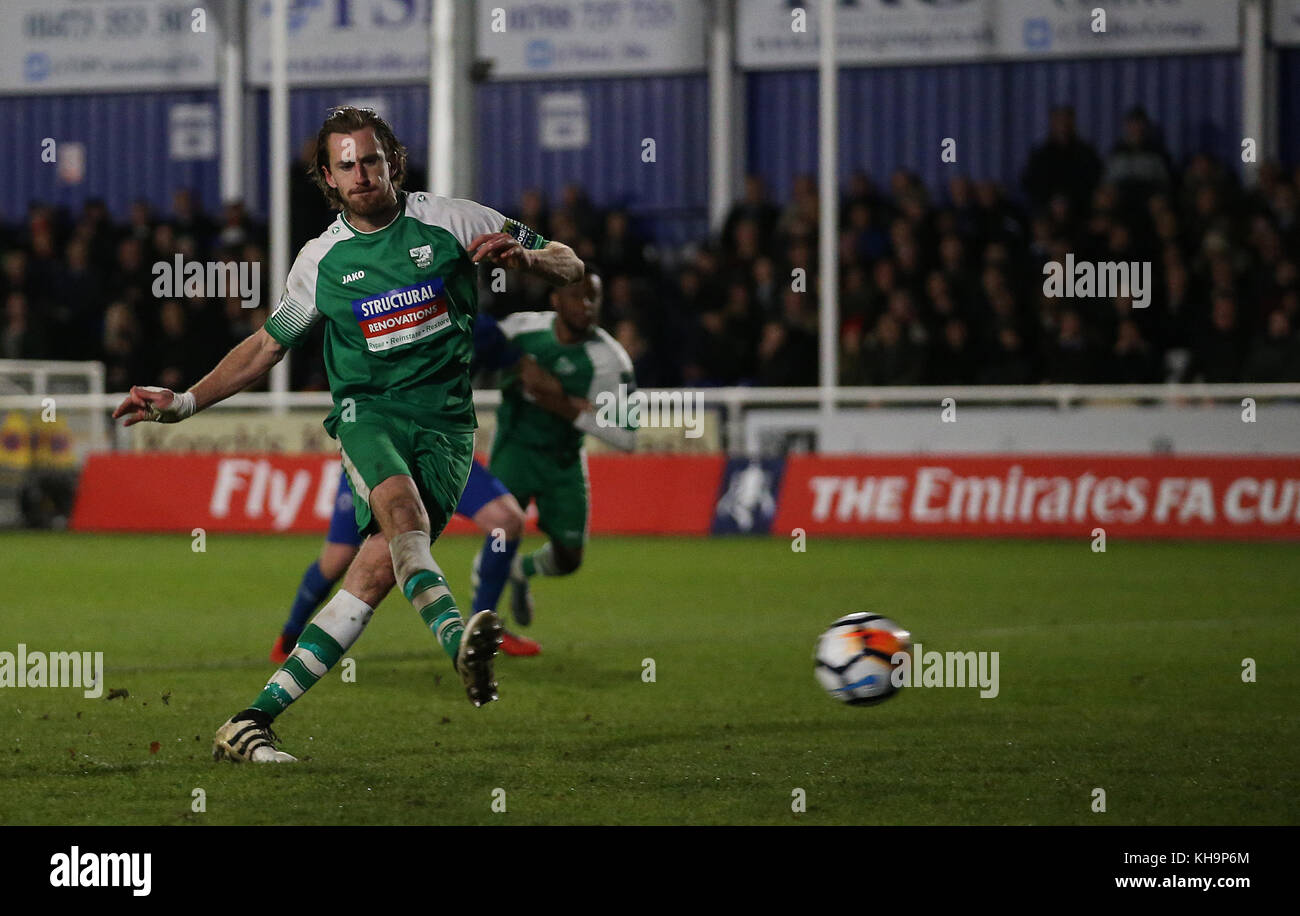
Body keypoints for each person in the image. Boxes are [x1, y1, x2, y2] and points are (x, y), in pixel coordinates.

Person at [113, 107, 583, 762]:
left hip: (446, 431)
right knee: (402, 517)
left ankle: (249, 722)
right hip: (370, 413)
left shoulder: (455, 219)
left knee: (368, 578)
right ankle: (460, 645)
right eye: (346, 165)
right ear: (329, 180)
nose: (361, 174)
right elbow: (267, 346)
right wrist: (187, 400)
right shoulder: (320, 261)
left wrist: (528, 256)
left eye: (370, 160)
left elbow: (570, 265)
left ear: (393, 161)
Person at [477, 269, 637, 629]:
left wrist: (559, 402)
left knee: (569, 558)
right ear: (555, 301)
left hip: (563, 460)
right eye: (578, 297)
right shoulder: (522, 329)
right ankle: (484, 621)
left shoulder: (612, 360)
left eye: (594, 298)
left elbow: (627, 437)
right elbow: (477, 346)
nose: (587, 305)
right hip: (514, 447)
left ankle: (522, 570)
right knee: (501, 532)